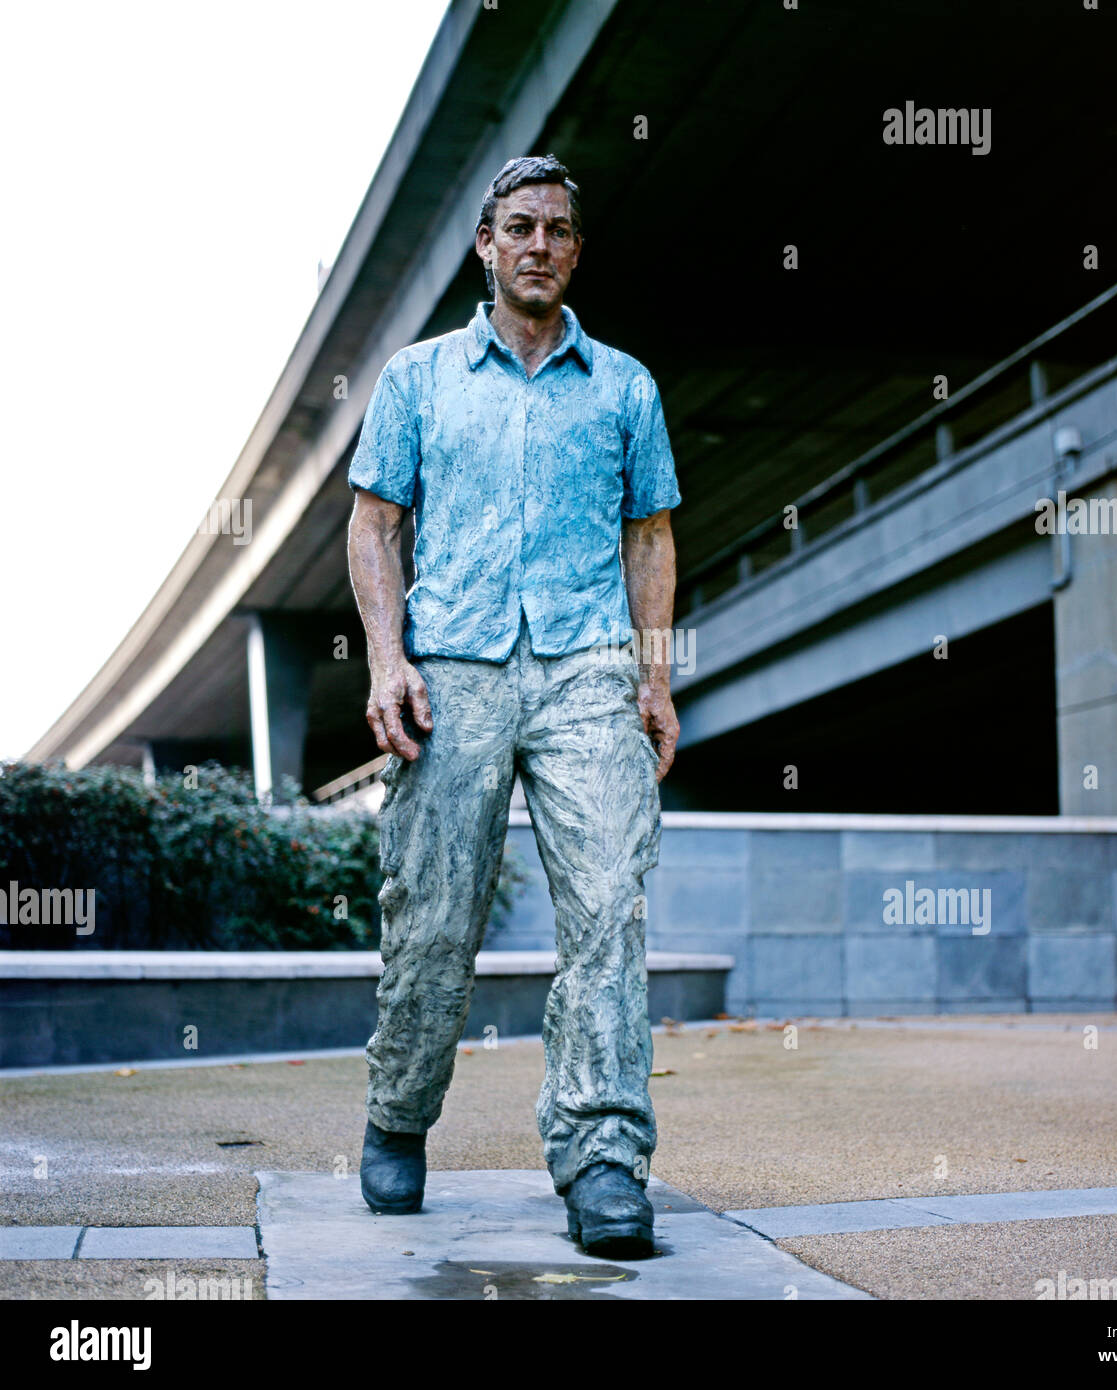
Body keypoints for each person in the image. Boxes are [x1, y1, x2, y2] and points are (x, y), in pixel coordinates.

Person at [345, 154, 681, 1258]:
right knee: (433, 913)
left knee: (608, 908)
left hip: (587, 669)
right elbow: (374, 525)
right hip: (454, 668)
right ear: (486, 245)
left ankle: (602, 1156)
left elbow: (650, 537)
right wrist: (386, 662)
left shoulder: (624, 387)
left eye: (558, 229)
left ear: (575, 252)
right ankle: (399, 1111)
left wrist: (652, 676)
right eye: (520, 227)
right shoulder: (418, 380)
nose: (539, 244)